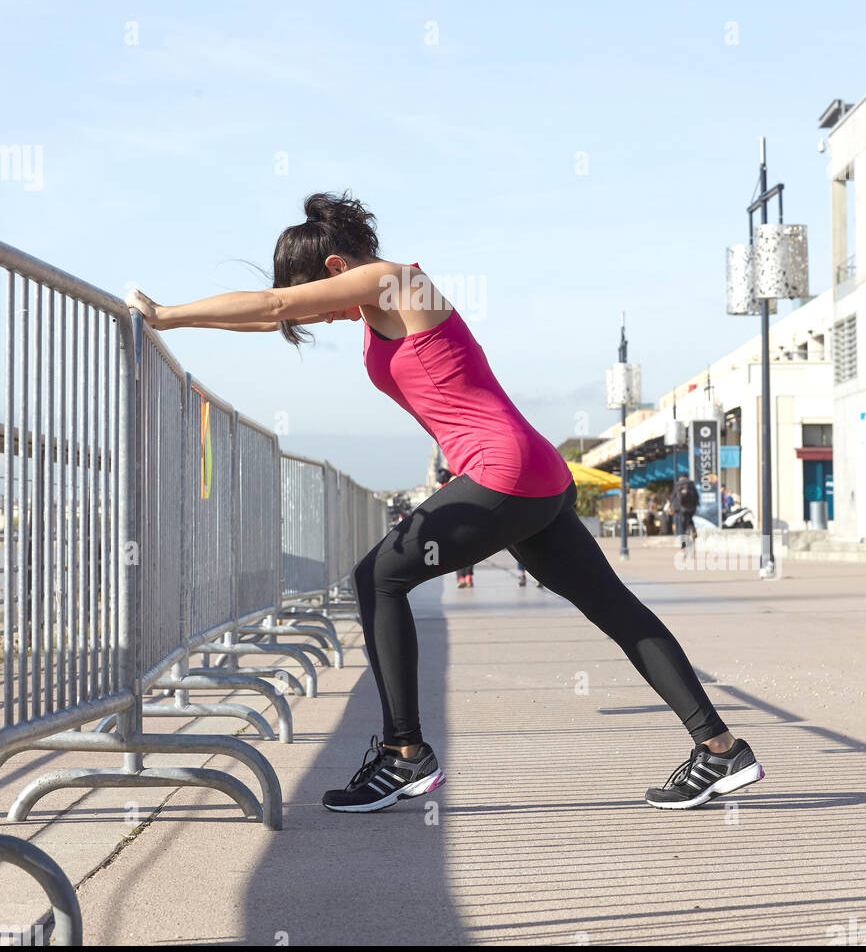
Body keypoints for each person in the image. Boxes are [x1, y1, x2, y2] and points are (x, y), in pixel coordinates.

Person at [126, 190, 764, 813]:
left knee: (376, 579)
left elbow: (272, 303)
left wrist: (163, 314)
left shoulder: (400, 282)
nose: (318, 319)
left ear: (334, 270)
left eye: (317, 305)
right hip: (533, 470)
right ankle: (721, 749)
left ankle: (405, 756)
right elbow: (275, 314)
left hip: (503, 469)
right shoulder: (391, 304)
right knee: (613, 607)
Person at [438, 466, 474, 587]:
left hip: (453, 524)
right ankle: (468, 576)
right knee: (470, 550)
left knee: (458, 553)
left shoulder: (445, 484)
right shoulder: (467, 477)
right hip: (469, 520)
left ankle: (461, 578)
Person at [673, 475, 700, 548]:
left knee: (683, 526)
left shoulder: (678, 484)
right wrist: (695, 505)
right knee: (690, 519)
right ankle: (693, 529)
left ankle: (683, 544)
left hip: (682, 509)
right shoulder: (691, 484)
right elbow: (697, 496)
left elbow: (674, 497)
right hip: (691, 508)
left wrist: (675, 509)